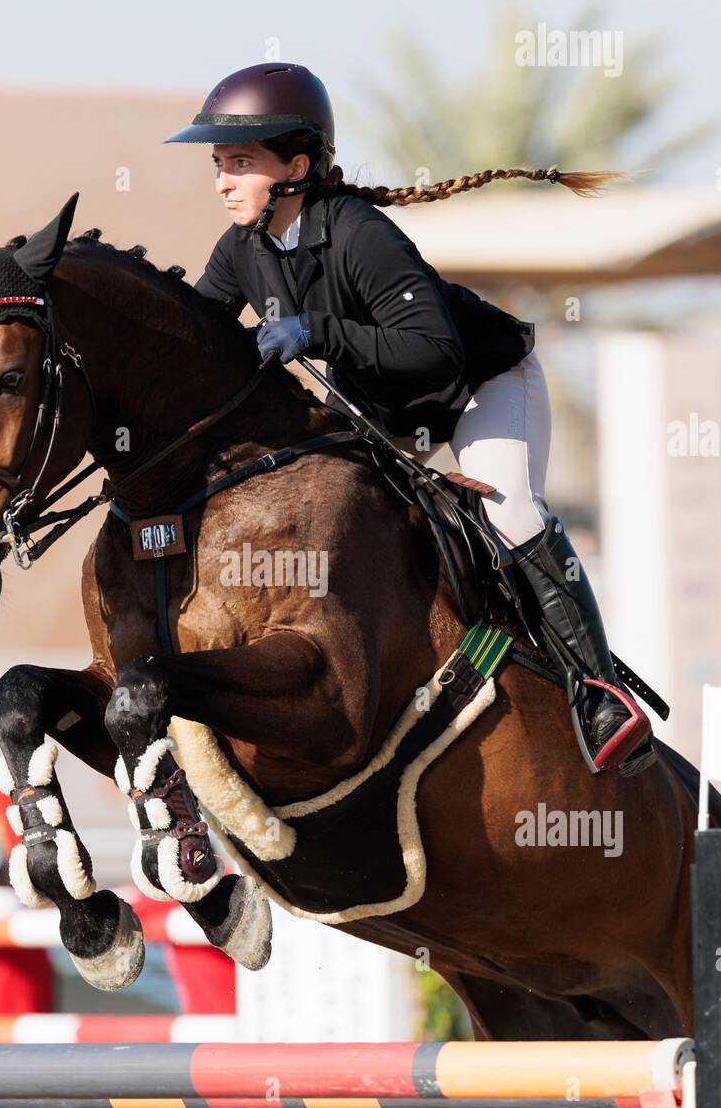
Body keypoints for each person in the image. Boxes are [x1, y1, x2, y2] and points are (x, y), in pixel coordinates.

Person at [164, 62, 654, 775]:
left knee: (511, 514)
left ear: (295, 166)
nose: (222, 182)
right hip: (382, 407)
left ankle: (597, 690)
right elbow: (196, 345)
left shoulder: (360, 233)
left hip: (479, 385)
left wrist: (316, 332)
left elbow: (433, 352)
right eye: (219, 165)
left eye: (240, 163)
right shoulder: (241, 250)